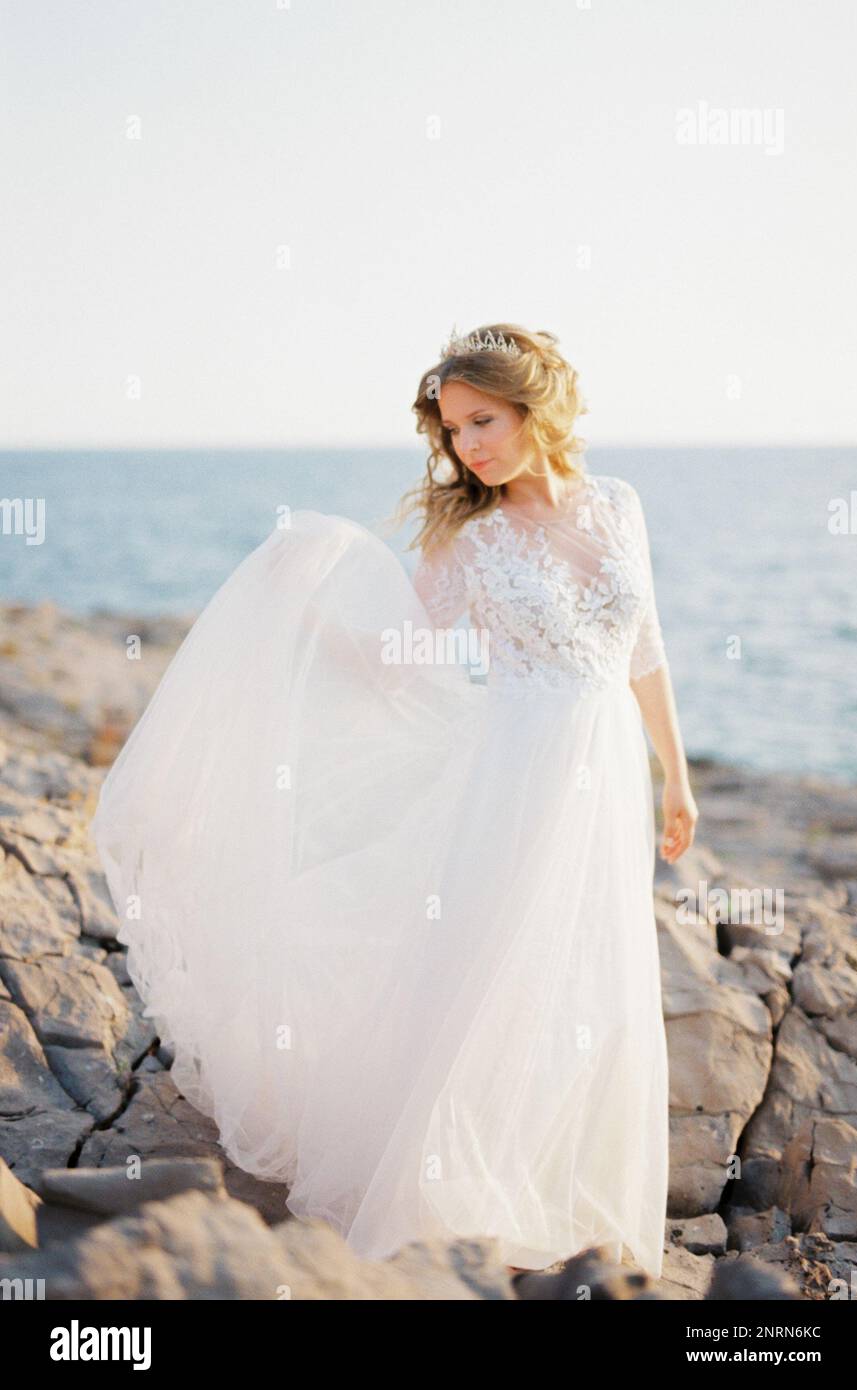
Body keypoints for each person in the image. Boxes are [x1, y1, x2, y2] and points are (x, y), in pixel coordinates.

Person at [91, 322, 698, 1282]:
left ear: (534, 408)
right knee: (490, 977)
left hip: (607, 779)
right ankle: (443, 1194)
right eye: (453, 431)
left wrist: (677, 773)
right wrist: (306, 595)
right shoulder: (473, 539)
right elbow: (392, 661)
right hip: (519, 777)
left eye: (482, 421)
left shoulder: (618, 506)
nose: (468, 446)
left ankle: (563, 1186)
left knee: (588, 979)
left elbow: (645, 649)